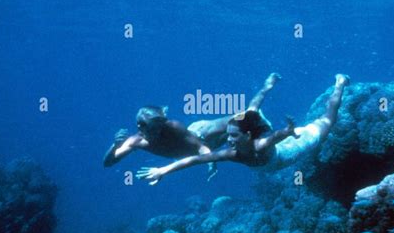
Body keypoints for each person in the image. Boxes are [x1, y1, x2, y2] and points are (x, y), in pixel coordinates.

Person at [136, 74, 349, 185]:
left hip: (289, 152)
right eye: (228, 135)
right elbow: (195, 160)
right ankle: (267, 85)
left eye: (233, 136)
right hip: (271, 146)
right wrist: (163, 170)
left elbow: (276, 136)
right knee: (251, 110)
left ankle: (339, 84)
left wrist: (290, 131)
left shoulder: (259, 144)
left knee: (327, 121)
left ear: (247, 136)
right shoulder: (233, 152)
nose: (227, 140)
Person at [103, 73, 281, 170]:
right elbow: (108, 163)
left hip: (203, 133)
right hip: (200, 147)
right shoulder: (135, 142)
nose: (159, 132)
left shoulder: (172, 126)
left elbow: (200, 147)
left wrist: (211, 161)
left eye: (161, 126)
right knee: (238, 131)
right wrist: (114, 146)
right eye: (154, 129)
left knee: (245, 115)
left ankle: (266, 87)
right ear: (141, 127)